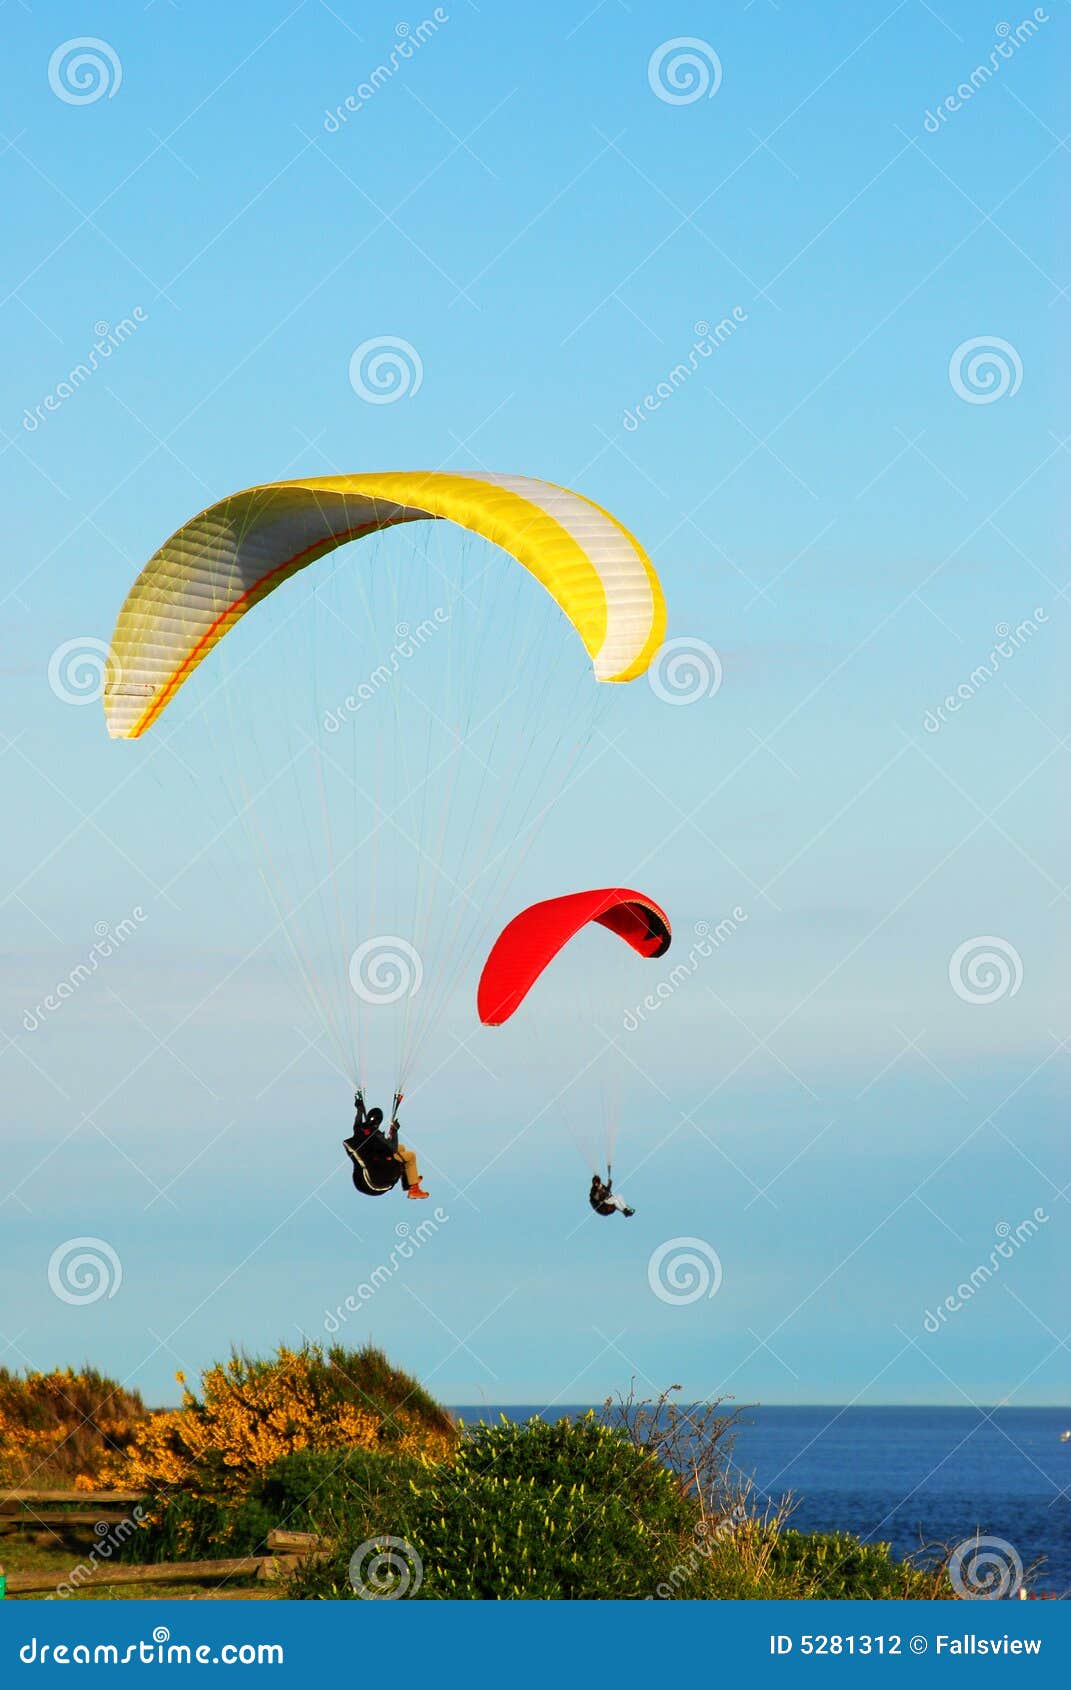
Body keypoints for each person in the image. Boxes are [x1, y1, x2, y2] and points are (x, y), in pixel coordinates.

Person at [344, 1092, 429, 1199]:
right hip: (376, 1182)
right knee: (410, 1156)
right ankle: (413, 1189)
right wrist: (395, 1131)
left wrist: (360, 1108)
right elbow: (392, 1149)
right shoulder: (377, 1136)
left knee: (401, 1148)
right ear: (378, 1122)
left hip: (364, 1179)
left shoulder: (360, 1129)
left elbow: (357, 1122)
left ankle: (409, 1178)